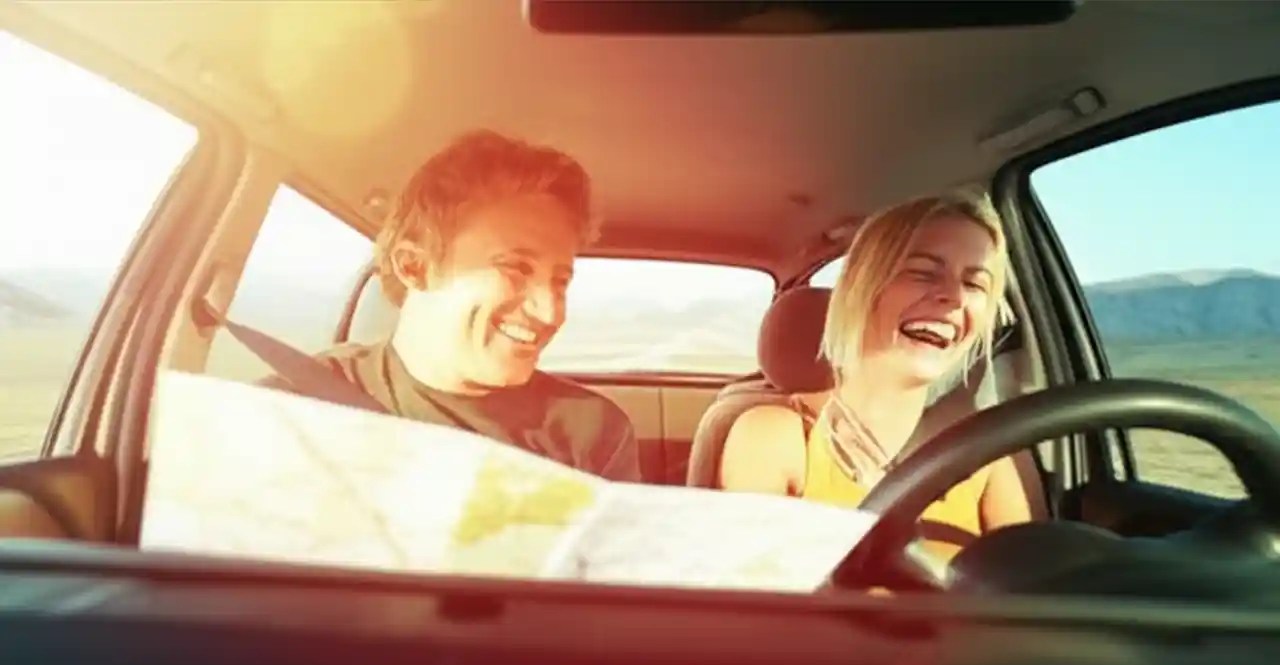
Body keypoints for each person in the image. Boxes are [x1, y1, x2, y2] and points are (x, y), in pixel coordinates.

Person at [263, 130, 642, 483]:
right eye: (515, 268)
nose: (550, 313)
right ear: (415, 266)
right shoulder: (294, 407)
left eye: (560, 281)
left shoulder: (591, 433)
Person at [718, 189, 1047, 558]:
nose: (954, 298)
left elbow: (1028, 601)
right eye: (922, 273)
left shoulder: (992, 456)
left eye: (974, 283)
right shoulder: (777, 436)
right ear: (862, 287)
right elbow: (756, 598)